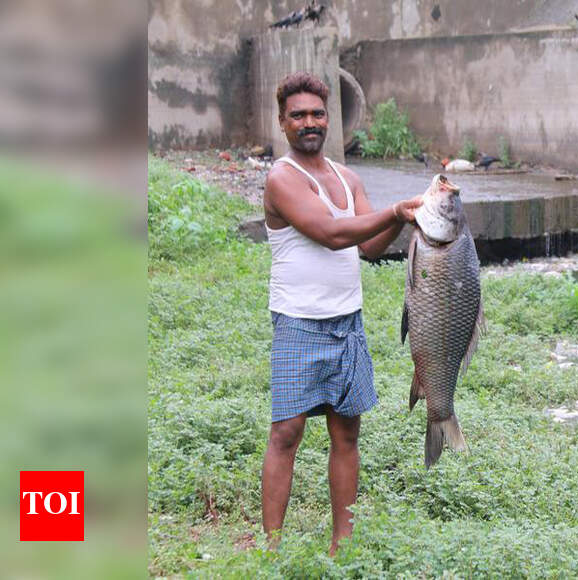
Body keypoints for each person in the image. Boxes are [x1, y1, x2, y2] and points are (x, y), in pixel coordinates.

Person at [260, 71, 421, 556]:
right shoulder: (282, 178)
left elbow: (368, 245)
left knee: (346, 432)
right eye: (298, 115)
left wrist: (410, 224)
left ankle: (342, 546)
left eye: (317, 113)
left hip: (347, 323)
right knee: (286, 433)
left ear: (329, 118)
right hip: (298, 323)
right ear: (282, 122)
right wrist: (395, 210)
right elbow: (331, 233)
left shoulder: (347, 178)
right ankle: (272, 548)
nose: (309, 122)